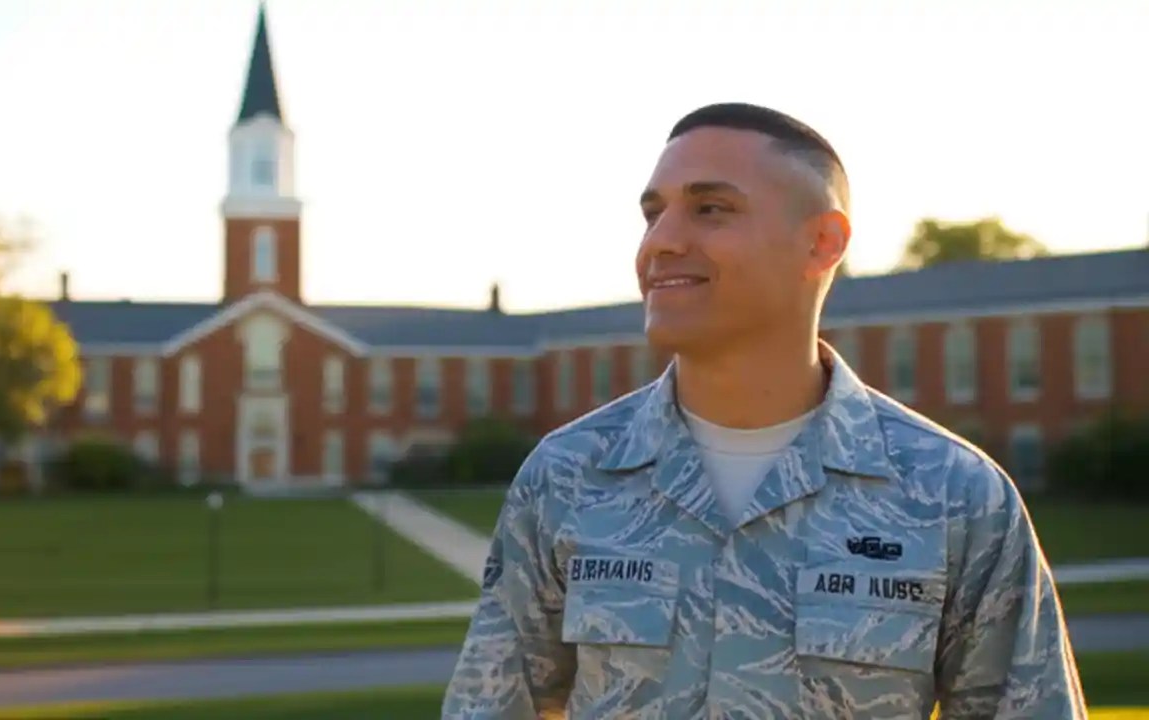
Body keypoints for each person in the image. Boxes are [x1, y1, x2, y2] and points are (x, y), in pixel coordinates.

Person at [440, 103, 1086, 719]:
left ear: (822, 243)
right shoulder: (568, 478)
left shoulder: (956, 498)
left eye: (710, 209)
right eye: (653, 214)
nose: (661, 242)